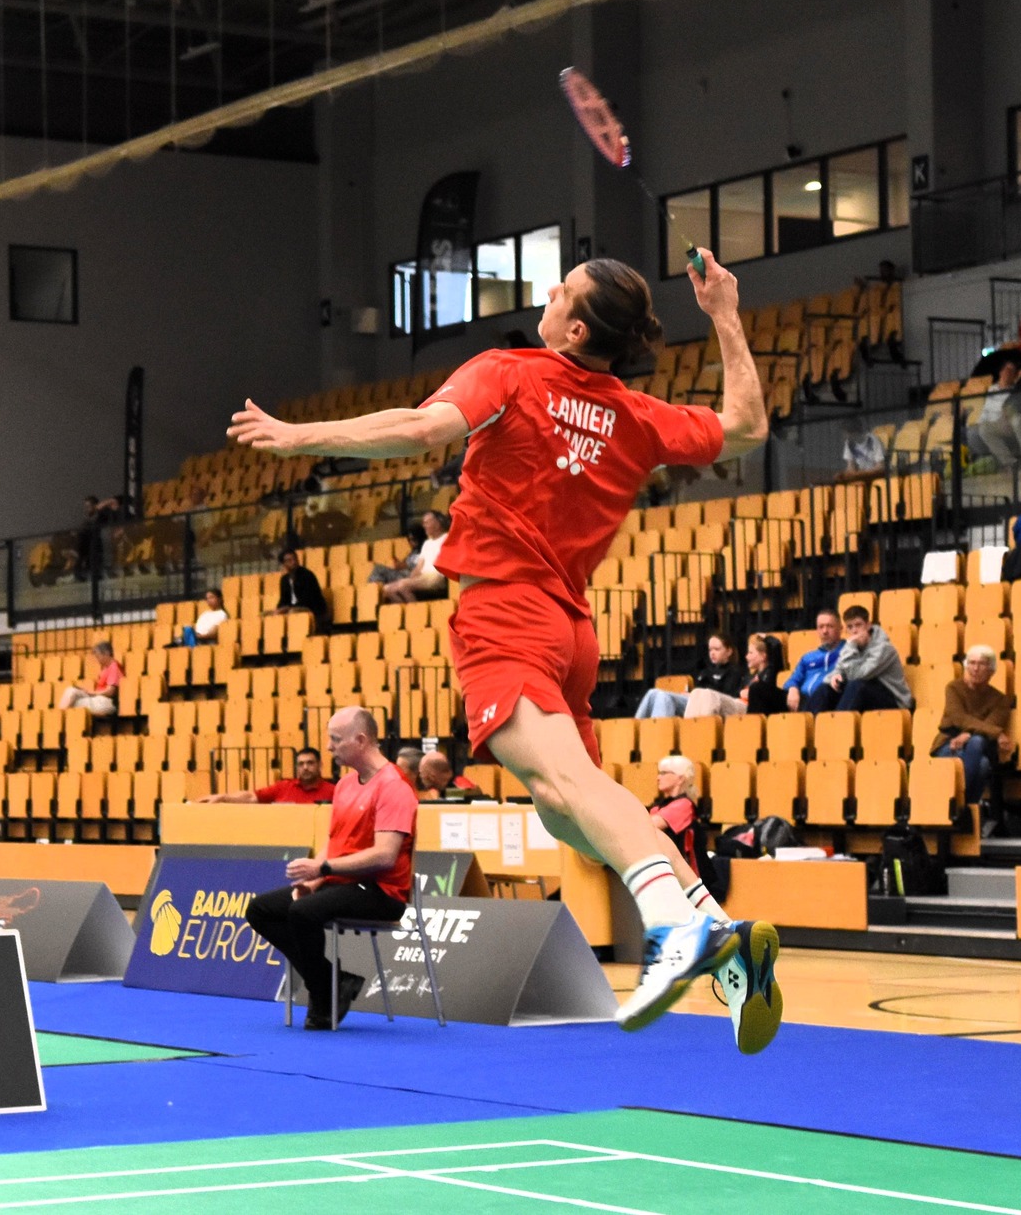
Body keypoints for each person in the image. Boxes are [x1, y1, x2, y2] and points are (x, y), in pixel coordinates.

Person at [228, 248, 782, 1051]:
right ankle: (718, 933)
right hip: (570, 631)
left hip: (506, 616)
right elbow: (746, 426)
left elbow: (421, 427)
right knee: (572, 815)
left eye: (562, 290)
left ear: (576, 325)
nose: (550, 295)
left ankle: (670, 921)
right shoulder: (633, 414)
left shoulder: (510, 372)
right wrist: (725, 314)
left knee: (567, 784)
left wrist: (294, 436)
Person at [243, 709, 415, 1030]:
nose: (329, 747)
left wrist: (322, 867)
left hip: (381, 890)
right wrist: (316, 878)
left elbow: (385, 856)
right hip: (341, 882)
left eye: (335, 739)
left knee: (302, 913)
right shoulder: (345, 784)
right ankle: (333, 982)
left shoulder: (394, 787)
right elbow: (334, 841)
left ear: (360, 740)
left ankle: (323, 994)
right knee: (261, 910)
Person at [930, 646, 1013, 820]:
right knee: (981, 763)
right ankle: (966, 808)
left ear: (991, 671)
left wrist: (968, 734)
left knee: (977, 744)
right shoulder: (953, 688)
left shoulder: (1001, 699)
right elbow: (958, 718)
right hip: (949, 743)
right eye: (972, 663)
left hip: (978, 745)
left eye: (981, 664)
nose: (975, 669)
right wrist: (995, 734)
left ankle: (958, 803)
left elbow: (992, 723)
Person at [804, 605, 914, 713]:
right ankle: (810, 726)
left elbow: (858, 675)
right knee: (826, 689)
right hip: (866, 696)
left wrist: (851, 647)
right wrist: (835, 676)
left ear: (868, 625)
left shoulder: (884, 649)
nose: (855, 631)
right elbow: (837, 670)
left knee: (856, 685)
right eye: (850, 627)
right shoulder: (851, 647)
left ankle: (839, 725)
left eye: (858, 625)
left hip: (895, 702)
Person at [636, 635, 743, 719]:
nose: (712, 653)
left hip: (712, 704)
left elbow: (727, 697)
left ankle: (660, 735)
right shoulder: (705, 671)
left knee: (664, 697)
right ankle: (634, 730)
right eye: (710, 650)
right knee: (654, 693)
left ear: (729, 651)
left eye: (717, 649)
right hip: (695, 702)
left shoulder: (734, 672)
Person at [688, 633, 785, 717]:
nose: (747, 656)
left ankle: (705, 731)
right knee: (696, 692)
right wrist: (741, 692)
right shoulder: (749, 676)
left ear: (763, 656)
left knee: (710, 696)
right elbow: (738, 692)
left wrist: (765, 637)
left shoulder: (770, 671)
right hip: (737, 702)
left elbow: (776, 646)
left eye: (751, 653)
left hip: (746, 708)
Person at [201, 746, 336, 803]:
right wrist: (224, 797)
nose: (305, 767)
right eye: (301, 764)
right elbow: (251, 797)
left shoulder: (333, 791)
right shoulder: (283, 787)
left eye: (310, 763)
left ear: (320, 765)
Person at [382, 510, 452, 603]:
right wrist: (410, 579)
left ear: (437, 524)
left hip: (437, 576)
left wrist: (406, 582)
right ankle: (408, 611)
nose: (424, 526)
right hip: (423, 577)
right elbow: (419, 567)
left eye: (427, 522)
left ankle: (415, 614)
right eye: (423, 523)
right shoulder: (427, 543)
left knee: (403, 585)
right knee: (387, 589)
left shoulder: (447, 538)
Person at [783, 610, 842, 711]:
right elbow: (793, 680)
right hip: (802, 699)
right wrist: (793, 688)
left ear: (840, 628)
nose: (825, 631)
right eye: (821, 627)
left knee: (824, 689)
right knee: (759, 690)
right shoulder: (808, 657)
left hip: (829, 697)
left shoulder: (847, 651)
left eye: (830, 626)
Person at [649, 755, 699, 869]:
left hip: (681, 871)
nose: (658, 777)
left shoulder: (684, 805)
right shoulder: (657, 806)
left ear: (680, 778)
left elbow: (650, 825)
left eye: (663, 773)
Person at [58, 640, 123, 714]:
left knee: (72, 702)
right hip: (99, 699)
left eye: (98, 656)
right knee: (71, 691)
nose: (97, 659)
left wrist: (93, 693)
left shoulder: (114, 667)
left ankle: (58, 719)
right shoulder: (106, 668)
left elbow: (110, 692)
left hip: (106, 702)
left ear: (107, 653)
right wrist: (88, 692)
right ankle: (59, 718)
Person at [275, 548, 331, 626]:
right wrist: (279, 609)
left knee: (293, 612)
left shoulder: (306, 575)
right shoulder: (284, 580)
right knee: (268, 615)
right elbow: (283, 599)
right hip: (293, 607)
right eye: (289, 560)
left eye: (295, 558)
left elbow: (307, 599)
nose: (293, 562)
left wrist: (288, 608)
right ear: (284, 564)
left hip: (312, 609)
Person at [416, 751, 480, 798]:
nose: (421, 777)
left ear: (432, 776)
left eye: (422, 773)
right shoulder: (424, 790)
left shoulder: (463, 788)